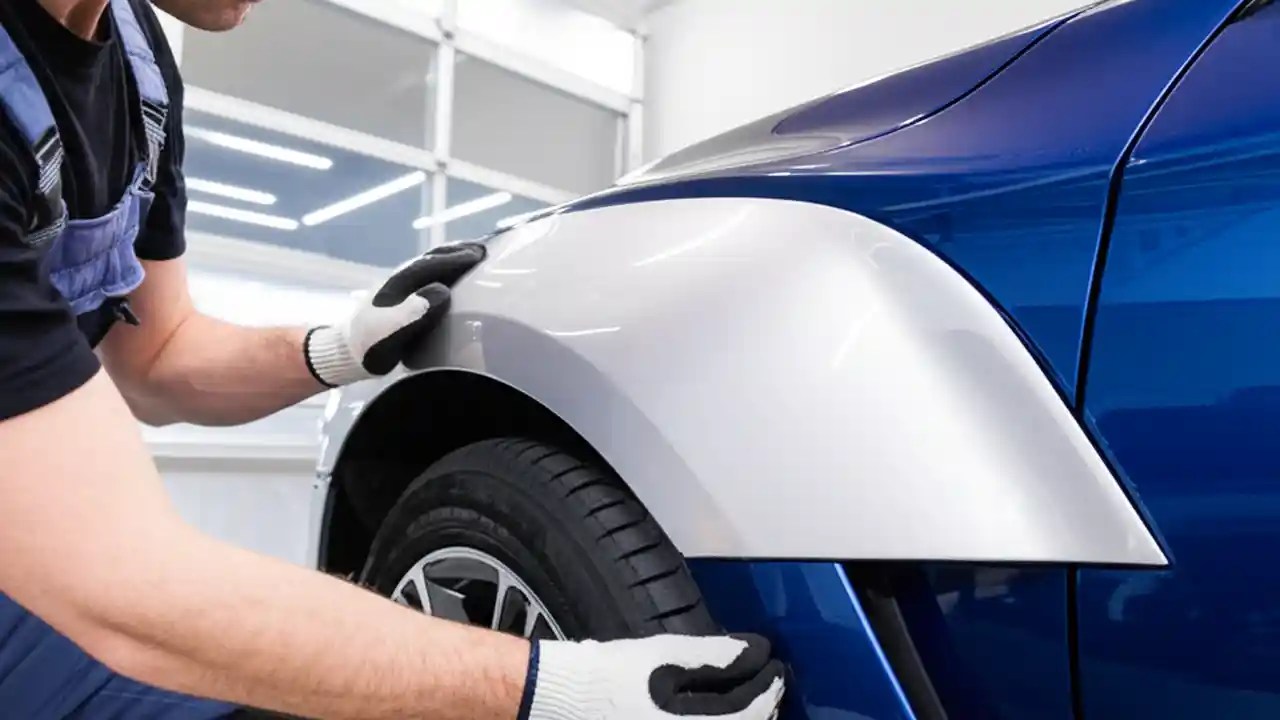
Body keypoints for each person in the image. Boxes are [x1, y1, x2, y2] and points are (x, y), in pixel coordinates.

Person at [0, 0, 788, 718]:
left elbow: (159, 359)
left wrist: (335, 350)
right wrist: (554, 689)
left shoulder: (137, 66)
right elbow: (127, 588)